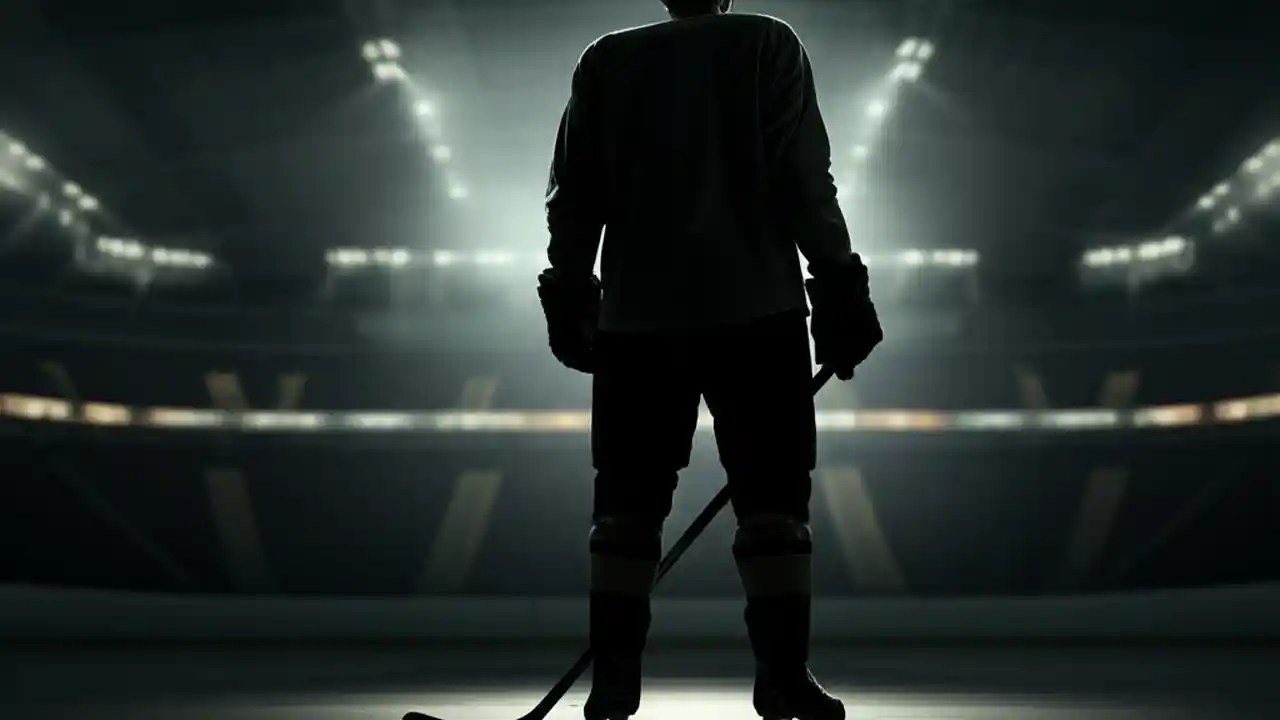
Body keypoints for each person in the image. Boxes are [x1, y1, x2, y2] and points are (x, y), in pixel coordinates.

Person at [536, 1, 882, 718]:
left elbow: (574, 193)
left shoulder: (607, 56)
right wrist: (840, 285)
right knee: (775, 509)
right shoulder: (768, 41)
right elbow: (804, 179)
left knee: (625, 513)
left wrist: (570, 288)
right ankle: (783, 678)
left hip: (640, 318)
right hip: (758, 310)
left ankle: (613, 684)